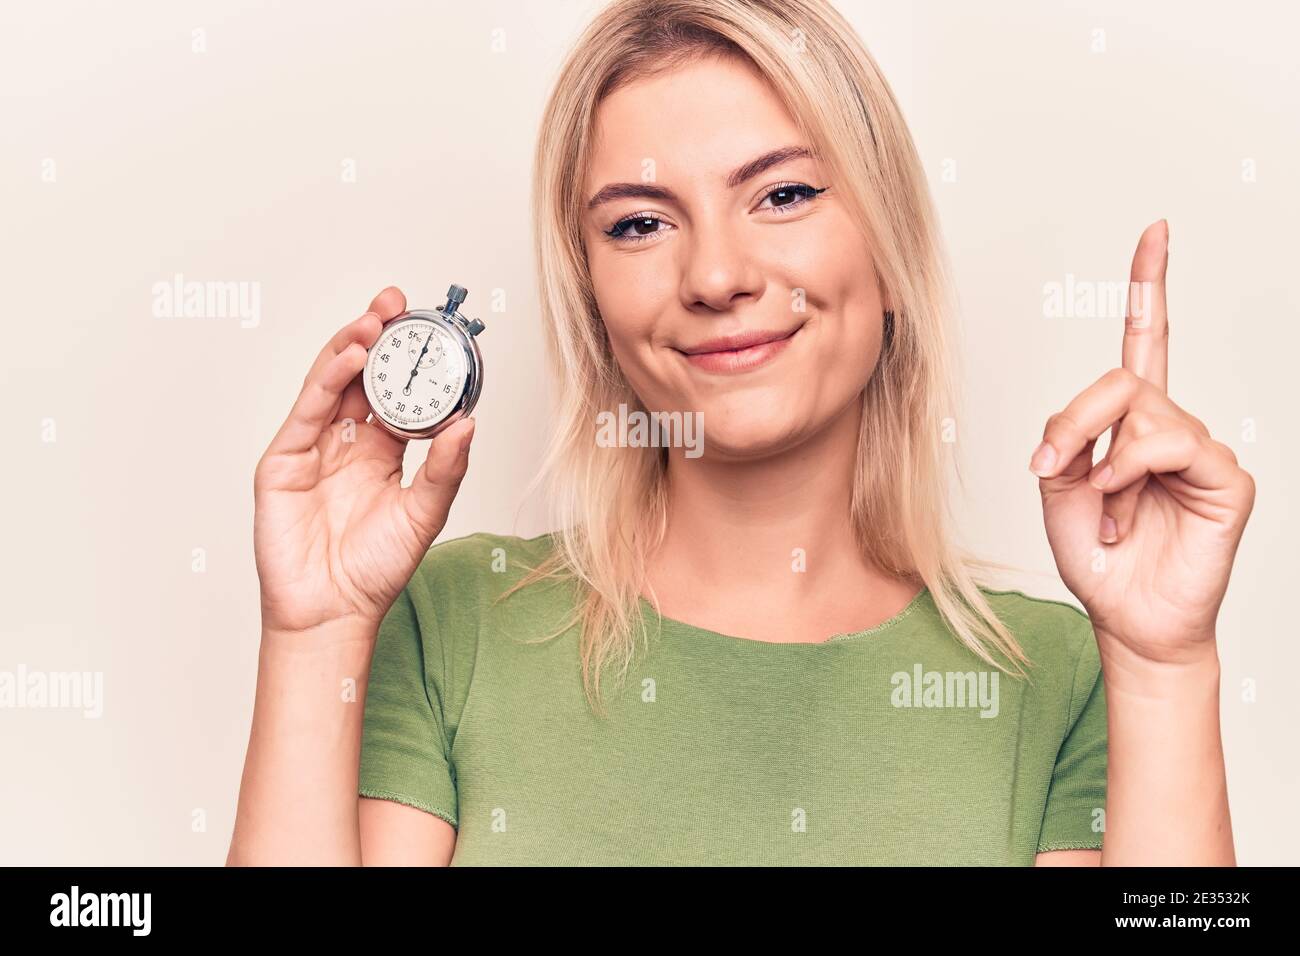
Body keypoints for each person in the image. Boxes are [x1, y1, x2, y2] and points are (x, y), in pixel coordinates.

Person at [227, 0, 1255, 866]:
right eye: (638, 222)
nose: (716, 276)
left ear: (889, 250)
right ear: (592, 299)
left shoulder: (1061, 676)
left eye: (785, 193)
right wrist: (313, 633)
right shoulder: (451, 624)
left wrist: (1165, 667)